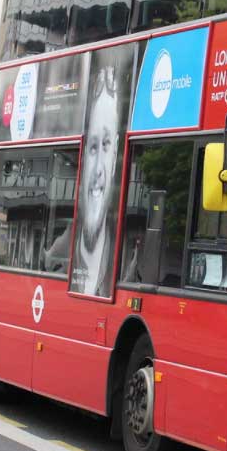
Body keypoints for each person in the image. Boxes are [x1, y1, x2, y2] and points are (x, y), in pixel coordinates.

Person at [70, 50, 129, 296]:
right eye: (93, 147)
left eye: (105, 146)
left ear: (115, 155)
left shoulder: (127, 264)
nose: (98, 171)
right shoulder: (57, 254)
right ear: (82, 157)